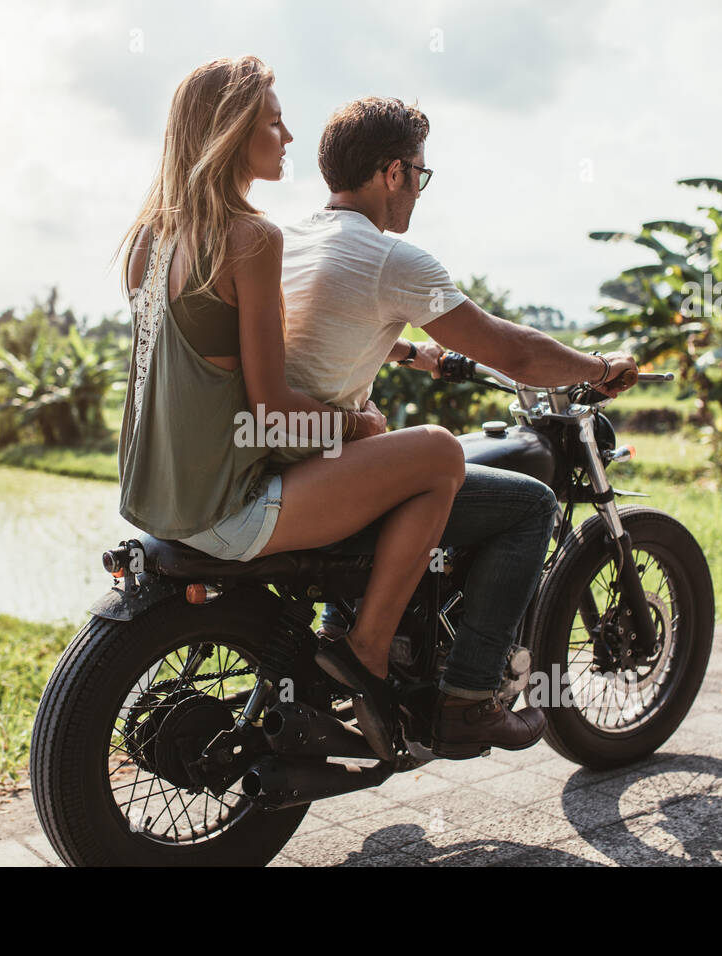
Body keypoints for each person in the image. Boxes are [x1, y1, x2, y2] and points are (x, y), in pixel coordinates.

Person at [116, 58, 465, 762]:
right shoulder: (253, 239)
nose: (287, 134)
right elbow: (271, 405)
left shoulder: (151, 237)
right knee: (439, 454)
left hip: (156, 499)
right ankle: (364, 651)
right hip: (228, 509)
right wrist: (358, 425)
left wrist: (406, 355)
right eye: (272, 120)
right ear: (231, 132)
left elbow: (221, 350)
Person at [280, 96, 640, 758]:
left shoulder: (291, 240)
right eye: (421, 172)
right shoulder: (393, 259)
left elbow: (325, 321)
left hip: (278, 462)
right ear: (394, 174)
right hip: (318, 479)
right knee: (528, 507)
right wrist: (600, 366)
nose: (419, 188)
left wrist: (414, 353)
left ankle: (360, 635)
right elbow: (517, 352)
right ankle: (471, 700)